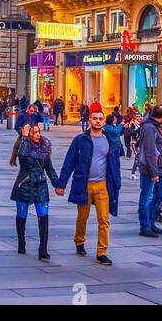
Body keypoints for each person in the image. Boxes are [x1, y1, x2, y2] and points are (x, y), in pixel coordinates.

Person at [54, 103, 119, 265]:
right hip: (84, 185)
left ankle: (101, 252)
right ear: (89, 120)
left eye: (100, 119)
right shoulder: (80, 140)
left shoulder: (109, 140)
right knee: (82, 217)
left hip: (103, 186)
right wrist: (61, 184)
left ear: (104, 122)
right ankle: (79, 241)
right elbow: (69, 162)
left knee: (104, 219)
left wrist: (116, 182)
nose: (97, 121)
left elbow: (115, 162)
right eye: (95, 118)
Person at [9, 122, 58, 258]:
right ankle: (21, 243)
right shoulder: (22, 146)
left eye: (38, 132)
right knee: (21, 216)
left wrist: (58, 184)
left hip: (40, 184)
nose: (38, 135)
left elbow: (49, 168)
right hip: (24, 184)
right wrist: (24, 137)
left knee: (43, 216)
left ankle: (43, 249)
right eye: (34, 132)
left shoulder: (44, 147)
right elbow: (23, 155)